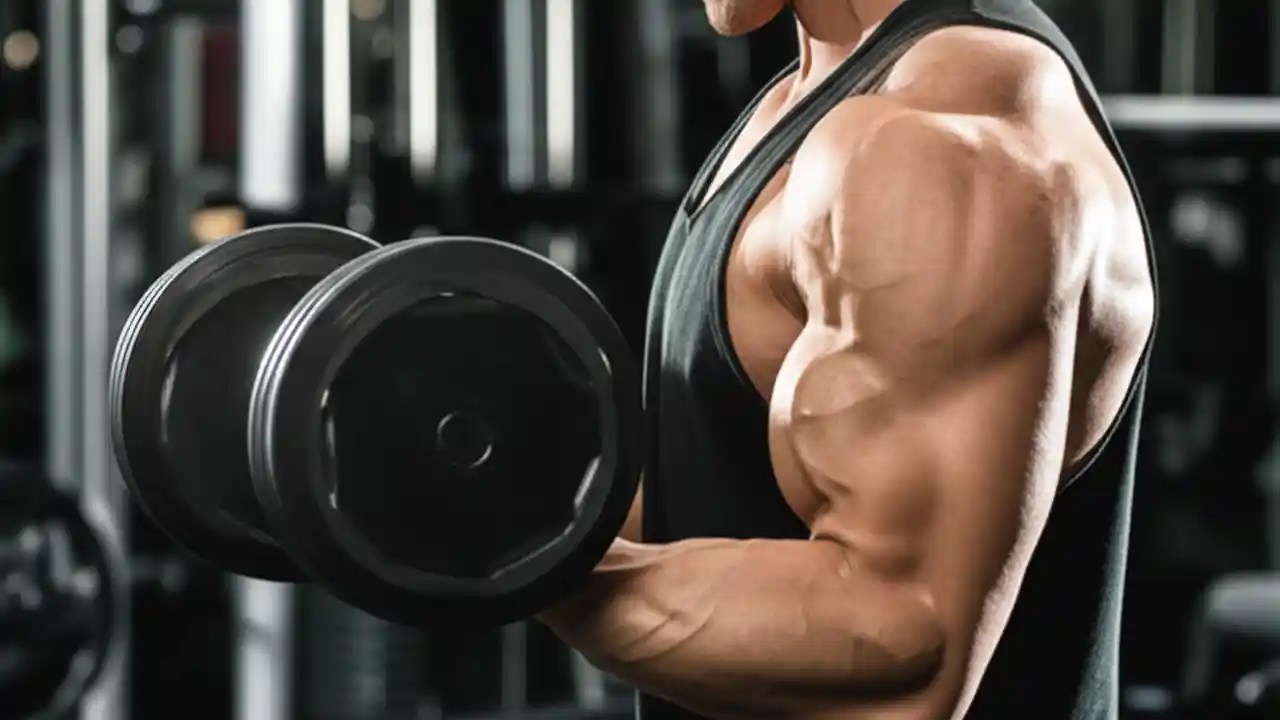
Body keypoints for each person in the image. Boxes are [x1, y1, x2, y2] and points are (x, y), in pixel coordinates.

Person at [538, 0, 1158, 718]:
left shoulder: (935, 143)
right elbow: (710, 494)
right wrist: (508, 489)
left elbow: (902, 643)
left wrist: (529, 567)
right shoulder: (800, 102)